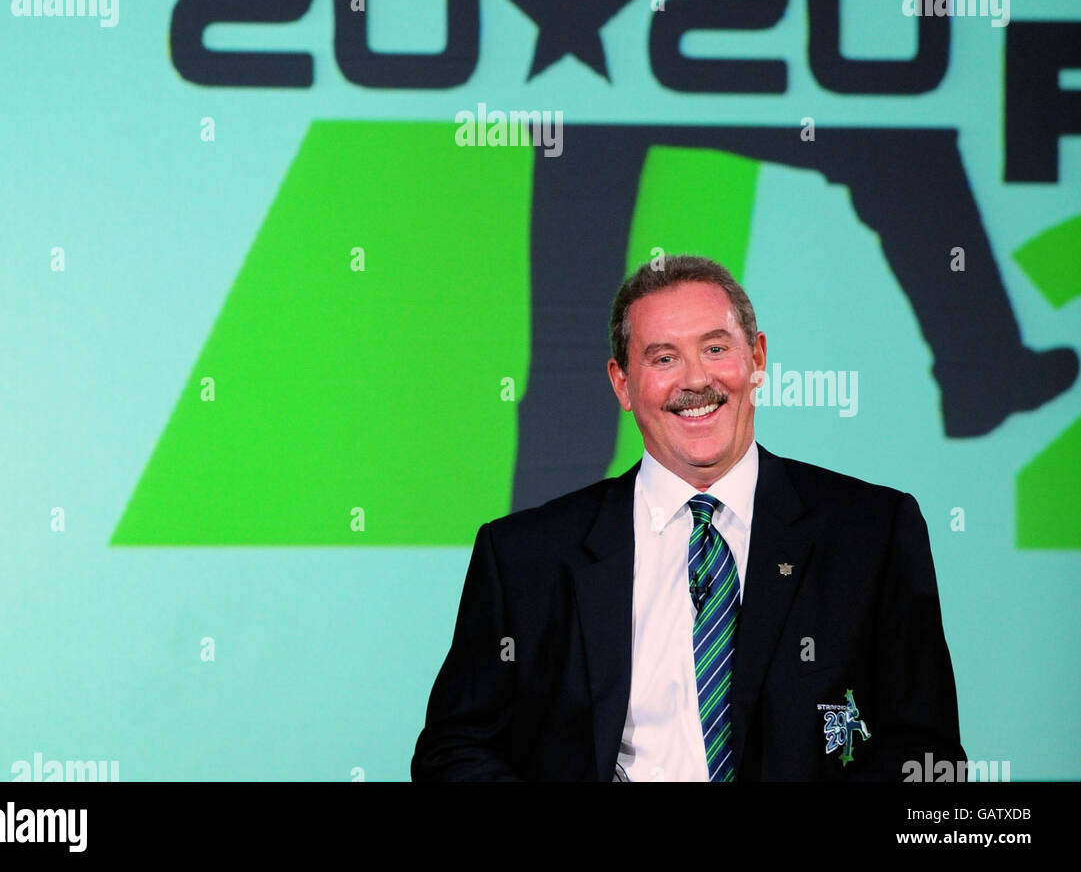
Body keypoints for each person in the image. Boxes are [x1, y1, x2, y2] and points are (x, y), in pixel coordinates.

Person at [411, 254, 965, 781]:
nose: (695, 381)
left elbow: (926, 751)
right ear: (623, 384)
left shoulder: (872, 532)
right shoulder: (524, 557)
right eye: (663, 357)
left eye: (716, 348)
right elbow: (455, 750)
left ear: (758, 361)